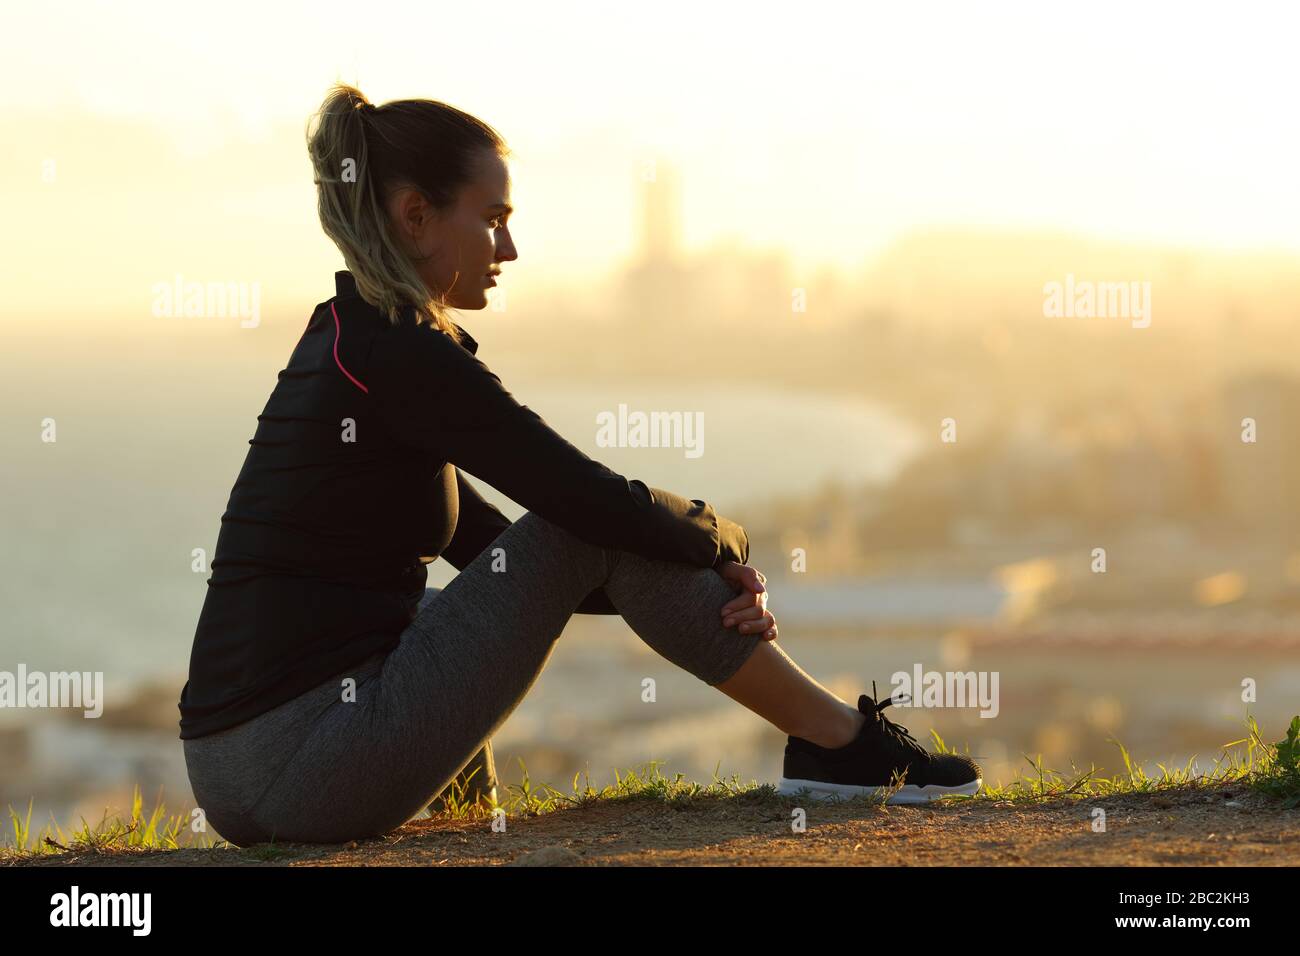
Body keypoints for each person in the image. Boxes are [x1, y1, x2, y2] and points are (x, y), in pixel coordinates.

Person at [177, 83, 982, 847]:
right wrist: (722, 540)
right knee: (572, 528)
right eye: (491, 220)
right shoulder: (405, 357)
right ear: (417, 217)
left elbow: (501, 555)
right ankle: (837, 741)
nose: (510, 248)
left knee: (524, 559)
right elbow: (578, 502)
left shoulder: (349, 340)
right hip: (303, 765)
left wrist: (681, 567)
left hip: (242, 770)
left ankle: (474, 820)